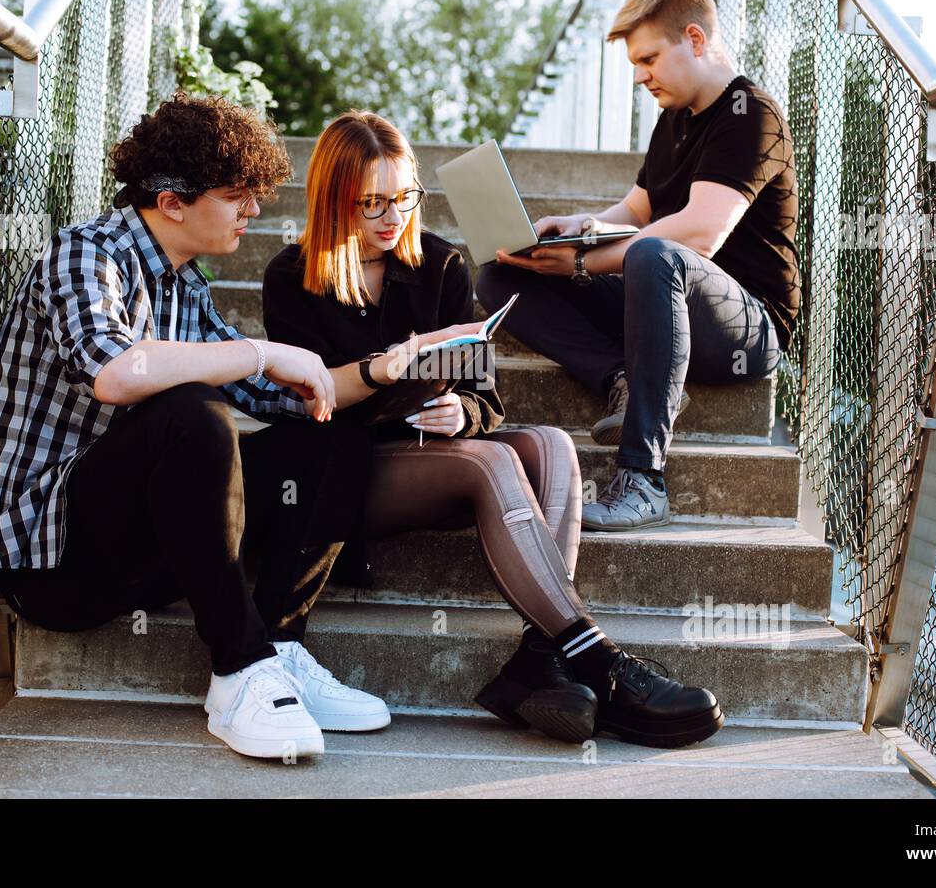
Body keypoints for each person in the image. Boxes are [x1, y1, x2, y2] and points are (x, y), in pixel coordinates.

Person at [262, 110, 725, 749]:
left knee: (548, 444)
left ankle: (542, 658)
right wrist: (397, 375)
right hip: (345, 472)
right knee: (490, 464)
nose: (392, 217)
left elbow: (487, 399)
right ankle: (597, 659)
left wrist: (463, 414)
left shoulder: (439, 266)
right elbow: (303, 407)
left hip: (437, 453)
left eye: (404, 197)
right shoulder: (291, 276)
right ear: (332, 200)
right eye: (372, 202)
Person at [0, 92, 391, 762]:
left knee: (327, 437)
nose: (255, 209)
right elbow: (115, 371)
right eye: (237, 194)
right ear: (172, 203)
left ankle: (278, 644)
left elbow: (282, 394)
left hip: (141, 551)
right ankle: (239, 670)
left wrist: (392, 366)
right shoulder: (85, 255)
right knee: (191, 415)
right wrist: (263, 350)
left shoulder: (182, 285)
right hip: (49, 559)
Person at [477, 0, 798, 532]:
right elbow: (637, 209)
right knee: (500, 275)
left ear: (693, 39)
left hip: (746, 327)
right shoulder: (674, 116)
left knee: (655, 256)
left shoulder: (752, 113)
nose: (639, 75)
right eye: (635, 62)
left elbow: (697, 234)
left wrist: (583, 264)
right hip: (661, 307)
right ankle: (624, 376)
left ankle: (643, 480)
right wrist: (579, 230)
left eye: (649, 58)